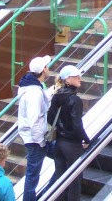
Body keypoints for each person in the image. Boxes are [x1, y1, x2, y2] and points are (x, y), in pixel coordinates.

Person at [48, 65, 90, 201]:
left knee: (60, 179)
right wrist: (86, 140)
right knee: (74, 181)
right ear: (67, 80)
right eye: (75, 76)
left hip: (59, 143)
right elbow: (77, 124)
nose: (79, 78)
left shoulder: (56, 96)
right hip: (72, 145)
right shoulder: (75, 100)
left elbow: (50, 118)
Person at [17, 55, 54, 201]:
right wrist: (41, 141)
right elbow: (34, 119)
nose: (49, 68)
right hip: (36, 140)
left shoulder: (33, 87)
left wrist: (55, 88)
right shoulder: (34, 92)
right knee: (32, 175)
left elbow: (42, 100)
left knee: (33, 174)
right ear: (43, 70)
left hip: (35, 138)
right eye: (47, 66)